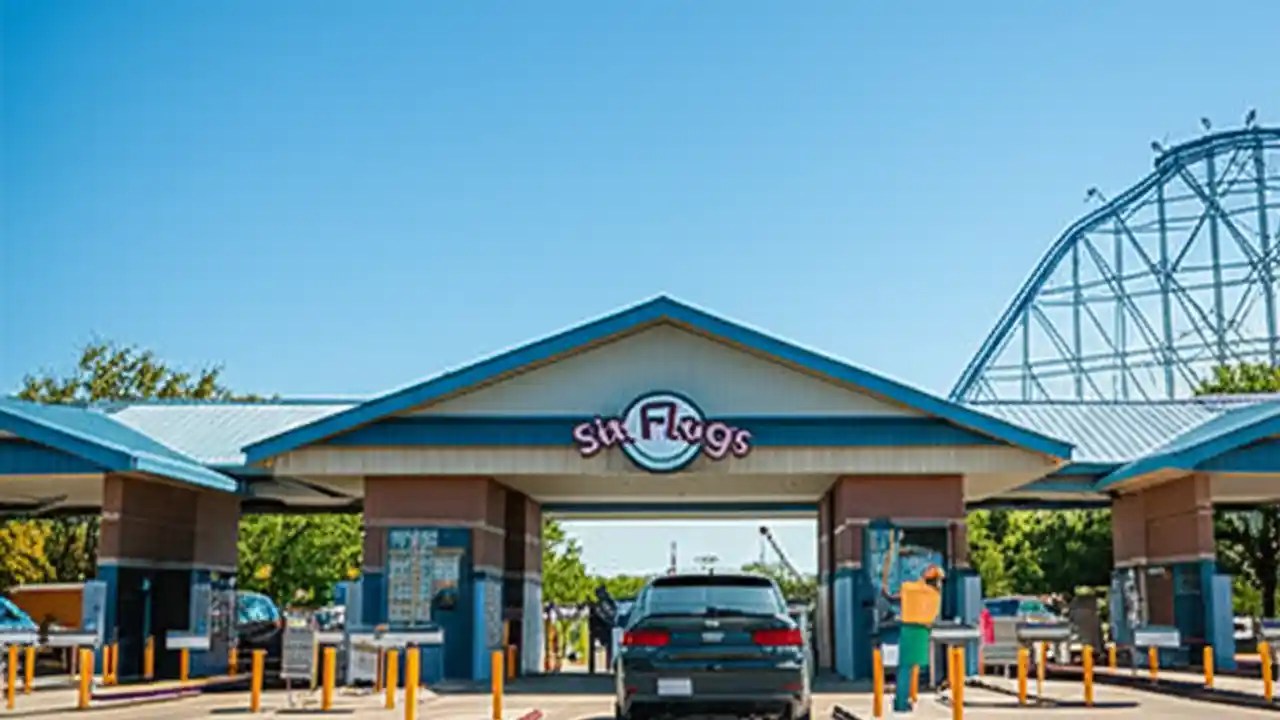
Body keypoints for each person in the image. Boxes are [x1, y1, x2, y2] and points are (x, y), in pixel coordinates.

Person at [893, 564, 945, 713]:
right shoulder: (935, 595)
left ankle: (902, 700)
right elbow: (934, 615)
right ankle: (902, 702)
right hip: (923, 630)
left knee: (905, 667)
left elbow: (895, 592)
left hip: (908, 628)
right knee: (912, 667)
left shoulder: (909, 588)